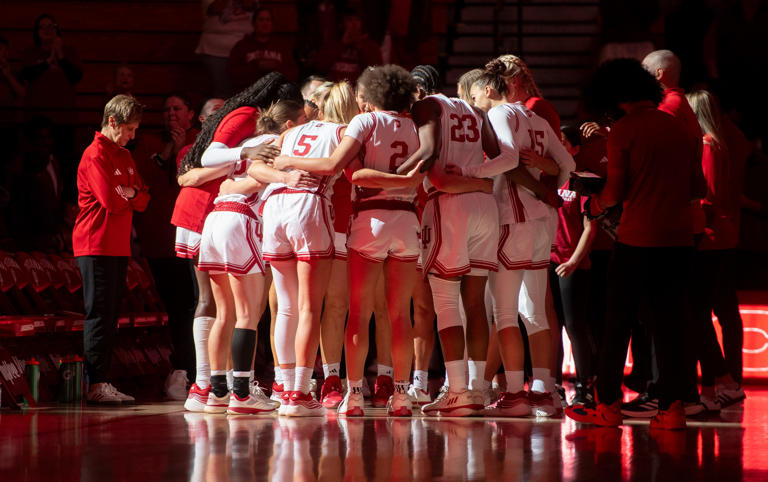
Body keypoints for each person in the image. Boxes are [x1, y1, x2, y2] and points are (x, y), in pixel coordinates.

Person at [272, 65, 425, 417]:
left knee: (356, 310)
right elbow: (426, 170)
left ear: (370, 95)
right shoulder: (419, 125)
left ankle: (353, 394)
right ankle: (402, 395)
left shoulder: (363, 123)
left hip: (369, 219)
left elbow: (343, 169)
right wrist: (406, 182)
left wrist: (286, 160)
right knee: (399, 313)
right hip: (406, 220)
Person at [565, 58, 705, 430]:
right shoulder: (676, 127)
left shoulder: (624, 130)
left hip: (637, 240)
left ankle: (608, 405)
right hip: (678, 240)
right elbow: (699, 188)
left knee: (618, 324)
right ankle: (672, 409)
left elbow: (614, 192)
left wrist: (595, 205)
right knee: (670, 326)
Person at [177, 72, 303, 410]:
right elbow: (254, 177)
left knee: (225, 313)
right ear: (288, 120)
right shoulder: (272, 143)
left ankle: (216, 390)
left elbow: (223, 183)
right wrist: (282, 176)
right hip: (240, 219)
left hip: (215, 219)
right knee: (248, 314)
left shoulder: (248, 142)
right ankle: (242, 394)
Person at [467, 66, 574, 417]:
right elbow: (567, 163)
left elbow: (510, 158)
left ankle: (514, 394)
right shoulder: (536, 118)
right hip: (542, 220)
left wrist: (472, 172)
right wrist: (549, 187)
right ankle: (543, 391)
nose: (473, 102)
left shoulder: (499, 113)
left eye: (474, 95)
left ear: (488, 89)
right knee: (535, 311)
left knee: (504, 313)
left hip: (513, 218)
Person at [248, 81, 358, 417]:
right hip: (309, 206)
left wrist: (284, 172)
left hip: (276, 209)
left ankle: (284, 389)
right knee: (310, 307)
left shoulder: (291, 132)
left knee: (286, 307)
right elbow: (335, 168)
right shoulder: (345, 132)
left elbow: (254, 167)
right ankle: (299, 391)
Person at [395, 72, 500, 418]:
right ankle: (478, 389)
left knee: (446, 304)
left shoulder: (426, 107)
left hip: (450, 203)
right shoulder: (475, 110)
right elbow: (499, 155)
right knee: (476, 303)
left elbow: (432, 166)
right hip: (485, 207)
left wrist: (392, 178)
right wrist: (480, 181)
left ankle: (457, 391)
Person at [72, 95, 149, 404]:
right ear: (113, 122)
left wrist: (130, 193)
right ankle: (95, 384)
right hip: (95, 243)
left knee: (111, 314)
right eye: (129, 129)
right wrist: (130, 193)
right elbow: (112, 201)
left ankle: (101, 381)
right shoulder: (95, 155)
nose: (133, 135)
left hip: (117, 245)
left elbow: (144, 199)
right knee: (99, 314)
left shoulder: (124, 155)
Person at [133, 93, 201, 400]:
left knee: (197, 305)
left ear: (191, 114)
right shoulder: (147, 143)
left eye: (177, 108)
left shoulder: (201, 141)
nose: (171, 113)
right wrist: (168, 150)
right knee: (176, 308)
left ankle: (195, 369)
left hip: (194, 239)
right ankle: (183, 367)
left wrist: (183, 148)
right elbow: (142, 183)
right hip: (160, 241)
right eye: (166, 109)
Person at [686, 90, 746, 409]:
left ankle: (720, 381)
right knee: (712, 313)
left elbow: (707, 198)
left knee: (699, 314)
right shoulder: (719, 143)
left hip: (709, 239)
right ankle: (714, 386)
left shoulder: (707, 145)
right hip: (721, 236)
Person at [550, 125, 598, 405]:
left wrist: (573, 261)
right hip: (547, 262)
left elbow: (590, 228)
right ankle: (553, 385)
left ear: (576, 149)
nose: (557, 146)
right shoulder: (547, 175)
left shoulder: (583, 181)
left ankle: (585, 386)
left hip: (573, 264)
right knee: (551, 325)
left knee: (575, 326)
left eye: (563, 142)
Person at [21, 14, 82, 117]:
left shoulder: (69, 52)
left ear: (56, 29)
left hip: (65, 114)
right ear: (37, 31)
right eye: (43, 27)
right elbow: (27, 75)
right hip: (37, 114)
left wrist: (61, 56)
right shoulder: (30, 53)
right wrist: (49, 60)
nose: (47, 30)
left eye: (50, 26)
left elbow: (75, 77)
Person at [195, 0, 258, 97]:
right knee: (221, 92)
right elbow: (214, 8)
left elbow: (251, 6)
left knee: (246, 91)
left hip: (246, 49)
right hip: (215, 50)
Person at [227, 7, 299, 91]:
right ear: (254, 23)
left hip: (276, 92)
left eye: (268, 20)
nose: (265, 23)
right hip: (249, 92)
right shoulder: (242, 46)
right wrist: (256, 66)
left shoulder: (282, 46)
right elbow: (232, 73)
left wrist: (275, 68)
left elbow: (293, 73)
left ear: (272, 24)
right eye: (261, 20)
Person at [315, 9, 383, 83]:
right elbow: (320, 66)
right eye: (349, 20)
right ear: (341, 24)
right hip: (334, 88)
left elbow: (376, 71)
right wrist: (342, 45)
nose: (354, 24)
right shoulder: (331, 43)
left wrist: (360, 48)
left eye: (357, 20)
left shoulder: (371, 46)